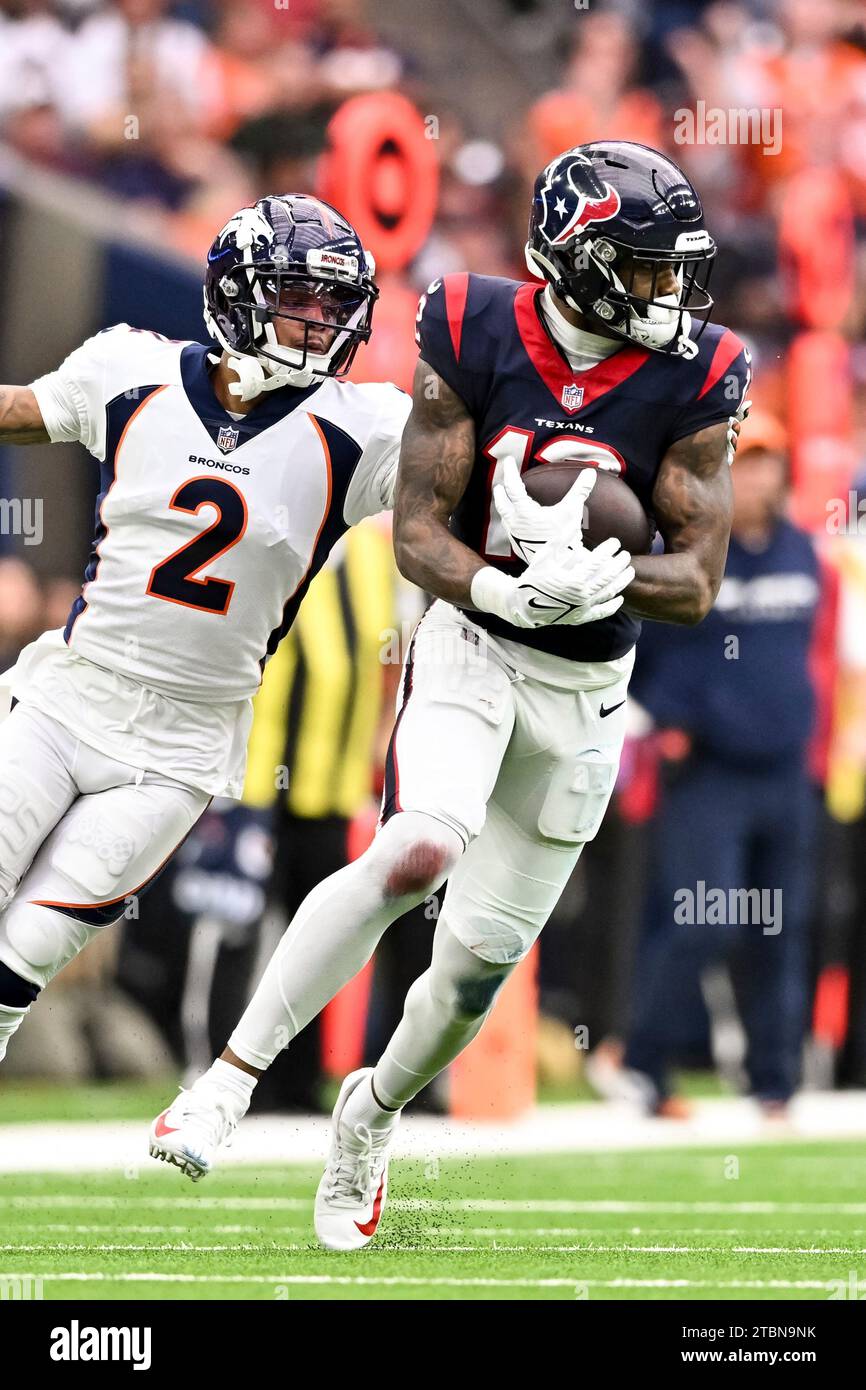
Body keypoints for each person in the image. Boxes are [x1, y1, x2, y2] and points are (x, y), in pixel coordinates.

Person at [149, 141, 750, 1252]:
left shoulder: (699, 372)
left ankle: (368, 1115)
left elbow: (697, 577)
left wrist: (600, 576)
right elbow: (418, 527)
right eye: (648, 268)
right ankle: (226, 1081)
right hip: (473, 646)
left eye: (677, 270)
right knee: (416, 847)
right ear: (580, 260)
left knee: (470, 975)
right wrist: (500, 590)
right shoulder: (471, 323)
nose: (671, 293)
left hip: (586, 696)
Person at [0, 193, 413, 1071]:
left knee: (23, 958)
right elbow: (19, 409)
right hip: (67, 698)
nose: (320, 322)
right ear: (236, 291)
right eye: (299, 296)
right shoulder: (128, 369)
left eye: (337, 303)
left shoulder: (360, 427)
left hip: (184, 746)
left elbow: (465, 479)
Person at [615, 413, 829, 1116]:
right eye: (748, 461)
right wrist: (673, 721)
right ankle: (645, 1065)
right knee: (704, 920)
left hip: (786, 771)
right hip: (709, 771)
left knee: (781, 926)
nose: (759, 475)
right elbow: (640, 648)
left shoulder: (802, 552)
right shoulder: (695, 552)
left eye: (770, 461)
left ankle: (775, 1084)